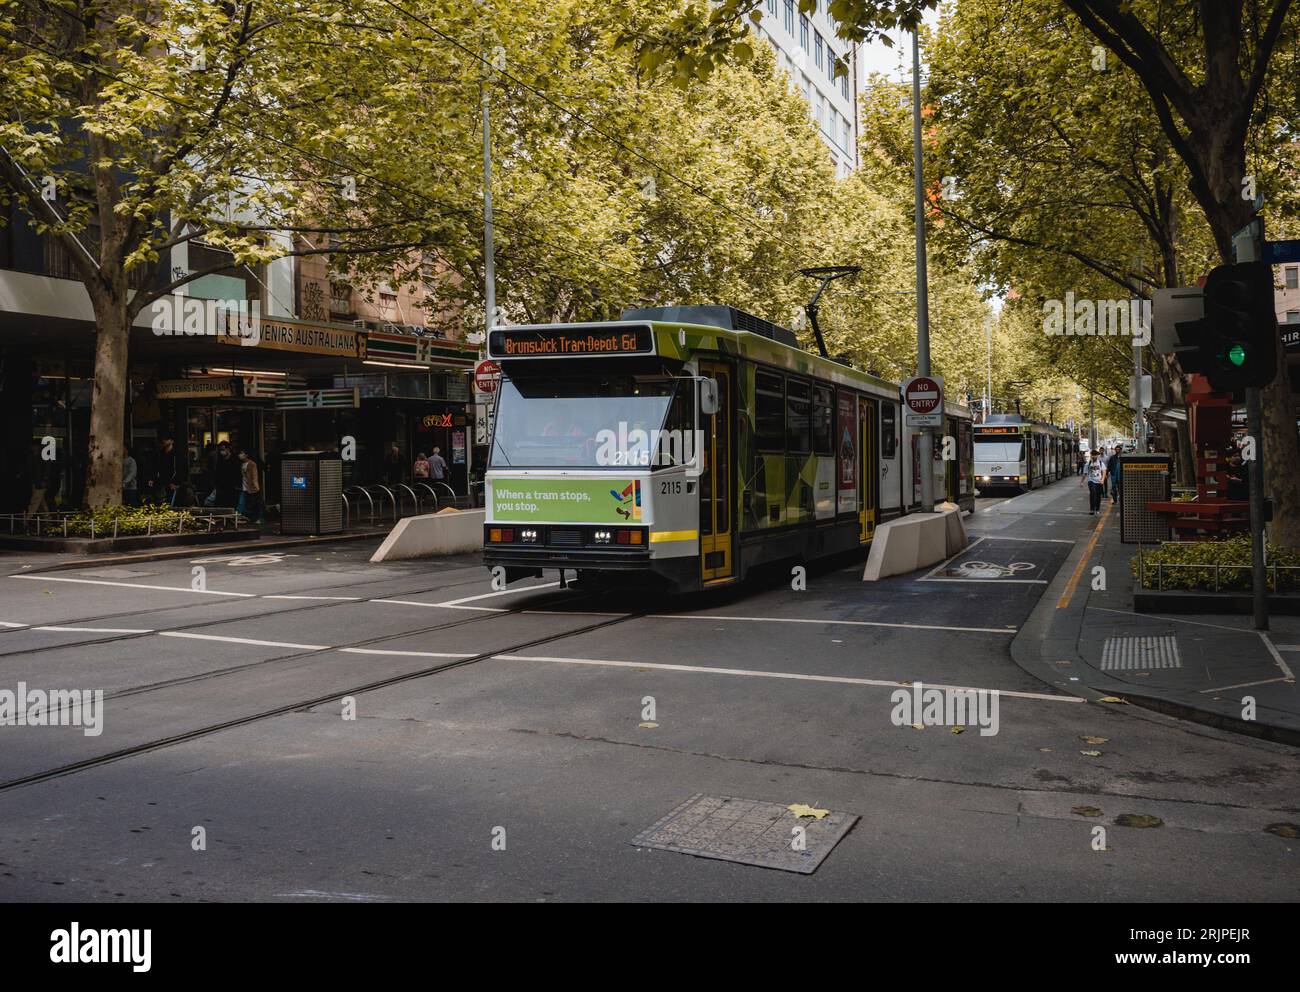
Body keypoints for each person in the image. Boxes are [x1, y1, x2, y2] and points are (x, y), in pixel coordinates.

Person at [212, 441, 242, 509]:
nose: (221, 451)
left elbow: (238, 473)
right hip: (222, 488)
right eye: (220, 450)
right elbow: (217, 473)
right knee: (221, 506)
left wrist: (237, 485)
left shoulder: (235, 460)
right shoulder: (220, 460)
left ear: (228, 449)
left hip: (232, 488)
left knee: (232, 506)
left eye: (223, 449)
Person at [237, 447, 262, 523]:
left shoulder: (252, 464)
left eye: (242, 453)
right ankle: (241, 518)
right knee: (243, 503)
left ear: (246, 455)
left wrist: (255, 487)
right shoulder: (241, 464)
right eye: (240, 453)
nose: (240, 455)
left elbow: (254, 476)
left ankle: (252, 518)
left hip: (251, 487)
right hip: (244, 487)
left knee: (252, 504)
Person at [25, 439, 49, 514]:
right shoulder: (31, 457)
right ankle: (47, 518)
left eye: (34, 446)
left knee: (35, 501)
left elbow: (47, 469)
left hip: (40, 482)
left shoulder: (42, 457)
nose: (33, 447)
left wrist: (45, 479)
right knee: (40, 501)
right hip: (35, 482)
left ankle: (28, 517)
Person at [1080, 448, 1106, 514]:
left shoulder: (1100, 463)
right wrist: (1081, 482)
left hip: (1099, 481)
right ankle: (1092, 509)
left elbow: (1104, 471)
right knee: (1093, 493)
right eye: (1093, 455)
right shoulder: (1087, 464)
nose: (1094, 456)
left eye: (1096, 455)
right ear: (1091, 455)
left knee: (1098, 495)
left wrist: (1102, 479)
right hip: (1091, 481)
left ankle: (1097, 509)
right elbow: (1085, 473)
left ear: (1097, 456)